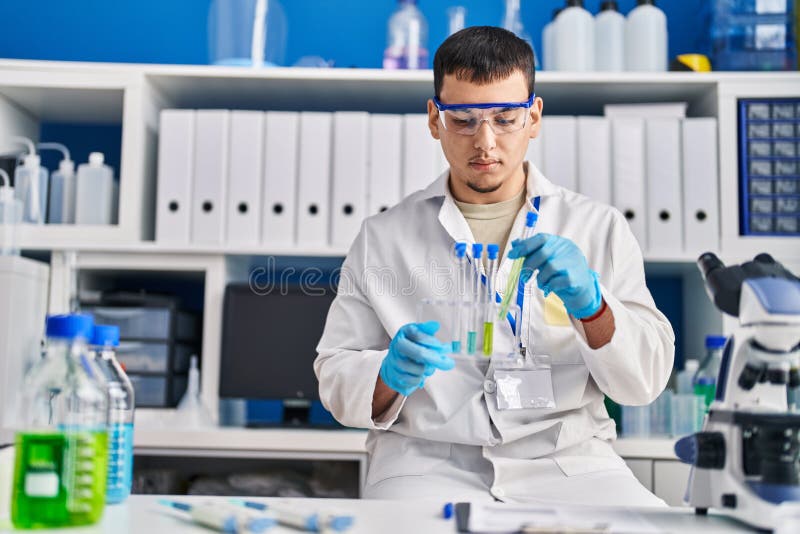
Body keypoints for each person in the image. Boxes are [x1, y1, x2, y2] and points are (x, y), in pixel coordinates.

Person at [314, 26, 674, 506]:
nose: (485, 142)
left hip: (568, 463)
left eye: (505, 118)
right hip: (425, 463)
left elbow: (643, 383)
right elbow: (335, 374)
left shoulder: (598, 227)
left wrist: (593, 308)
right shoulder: (383, 238)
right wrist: (387, 374)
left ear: (534, 116)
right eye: (463, 120)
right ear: (433, 119)